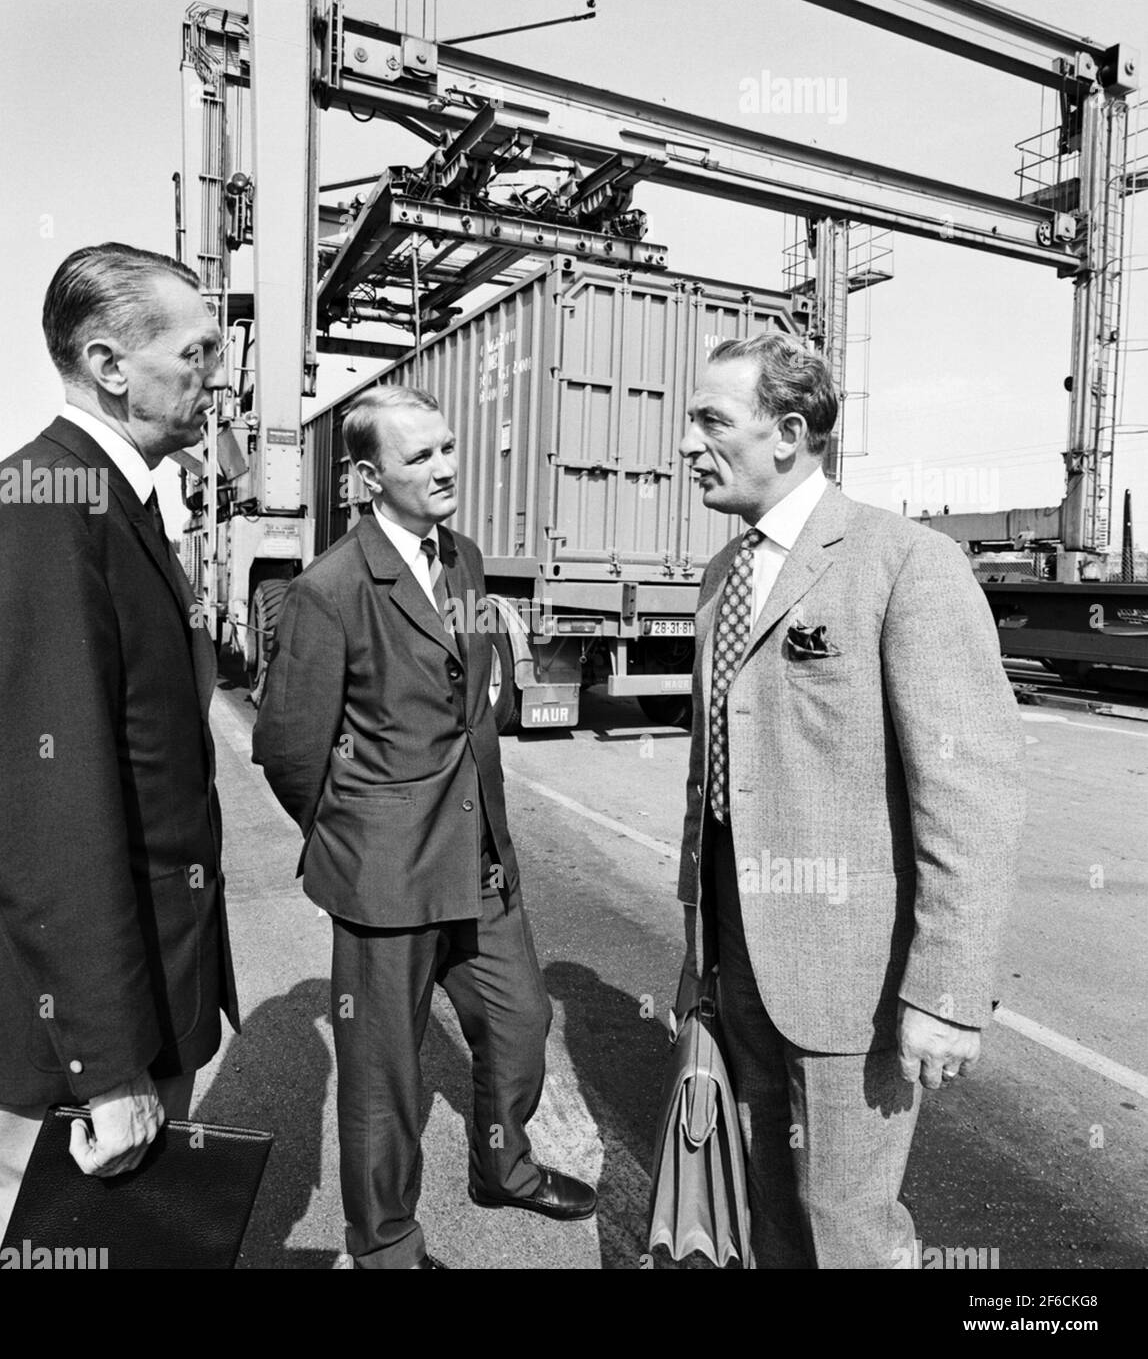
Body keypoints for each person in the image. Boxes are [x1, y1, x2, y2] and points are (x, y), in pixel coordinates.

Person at [0, 242, 240, 1268]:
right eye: (195, 352)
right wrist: (103, 1063)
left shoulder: (103, 499)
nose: (215, 374)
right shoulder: (42, 514)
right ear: (108, 363)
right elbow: (41, 807)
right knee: (46, 1248)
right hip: (75, 1018)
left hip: (132, 980)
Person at [674, 333, 1024, 1269]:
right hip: (740, 951)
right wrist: (700, 944)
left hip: (852, 972)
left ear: (788, 432)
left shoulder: (906, 563)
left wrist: (947, 991)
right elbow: (719, 777)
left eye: (711, 420)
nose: (686, 443)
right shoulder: (723, 577)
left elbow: (970, 791)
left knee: (850, 1224)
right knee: (769, 1201)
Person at [252, 385, 595, 1270]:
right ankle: (387, 1248)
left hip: (480, 861)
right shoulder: (328, 590)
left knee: (522, 1023)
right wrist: (365, 834)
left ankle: (501, 1163)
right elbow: (291, 750)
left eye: (448, 449)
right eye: (419, 457)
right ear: (369, 479)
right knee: (383, 1080)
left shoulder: (466, 559)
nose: (445, 468)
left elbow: (471, 694)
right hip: (386, 878)